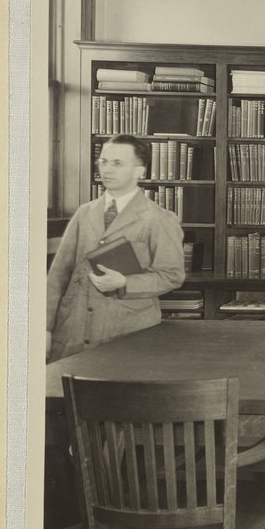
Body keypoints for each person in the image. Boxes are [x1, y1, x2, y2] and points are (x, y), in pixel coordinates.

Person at [47, 134, 186, 361]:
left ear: (139, 171)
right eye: (103, 161)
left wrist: (125, 283)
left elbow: (172, 276)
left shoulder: (159, 219)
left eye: (117, 163)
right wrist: (45, 328)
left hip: (126, 333)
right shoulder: (84, 213)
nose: (107, 169)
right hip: (73, 330)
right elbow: (58, 275)